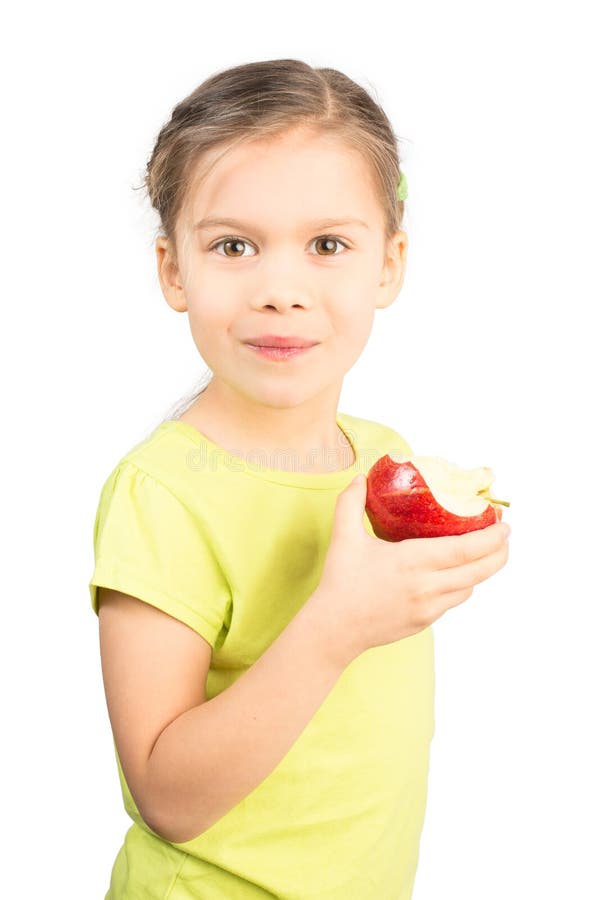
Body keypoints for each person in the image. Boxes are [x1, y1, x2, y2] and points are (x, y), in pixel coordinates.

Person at [89, 58, 510, 900]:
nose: (281, 290)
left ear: (388, 264)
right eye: (233, 245)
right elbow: (165, 797)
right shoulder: (163, 495)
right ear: (174, 269)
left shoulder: (386, 459)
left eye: (327, 245)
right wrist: (336, 625)